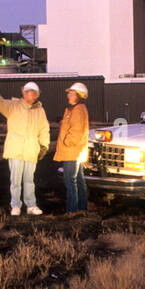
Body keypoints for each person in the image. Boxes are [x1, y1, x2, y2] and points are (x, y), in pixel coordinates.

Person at [0, 81, 50, 216]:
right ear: (24, 93)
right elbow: (1, 104)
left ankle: (31, 205)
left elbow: (44, 129)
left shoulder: (40, 111)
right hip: (15, 149)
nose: (32, 95)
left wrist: (44, 145)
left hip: (31, 149)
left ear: (37, 95)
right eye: (29, 92)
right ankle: (15, 205)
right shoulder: (13, 106)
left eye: (34, 93)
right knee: (15, 179)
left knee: (29, 179)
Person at [54, 82, 91, 216]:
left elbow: (76, 131)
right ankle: (82, 209)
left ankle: (72, 211)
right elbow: (73, 125)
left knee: (70, 181)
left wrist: (67, 142)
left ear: (79, 95)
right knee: (79, 181)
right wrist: (62, 122)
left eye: (71, 93)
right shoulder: (76, 109)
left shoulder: (78, 110)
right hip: (77, 151)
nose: (68, 95)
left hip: (72, 152)